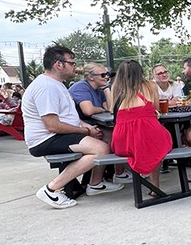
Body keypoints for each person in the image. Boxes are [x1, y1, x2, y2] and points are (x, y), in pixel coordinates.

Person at [22, 45, 124, 209]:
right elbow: (52, 125)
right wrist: (85, 131)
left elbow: (69, 117)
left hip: (57, 134)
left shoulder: (57, 84)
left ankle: (95, 184)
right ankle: (51, 189)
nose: (75, 67)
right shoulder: (46, 87)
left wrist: (88, 128)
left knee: (106, 135)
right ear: (58, 64)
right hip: (45, 139)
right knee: (101, 149)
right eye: (71, 63)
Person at [110, 60, 173, 194]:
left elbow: (113, 111)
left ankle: (137, 176)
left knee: (144, 145)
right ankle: (155, 185)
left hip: (122, 140)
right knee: (156, 143)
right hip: (146, 131)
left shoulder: (116, 88)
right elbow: (156, 108)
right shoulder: (150, 85)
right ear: (140, 72)